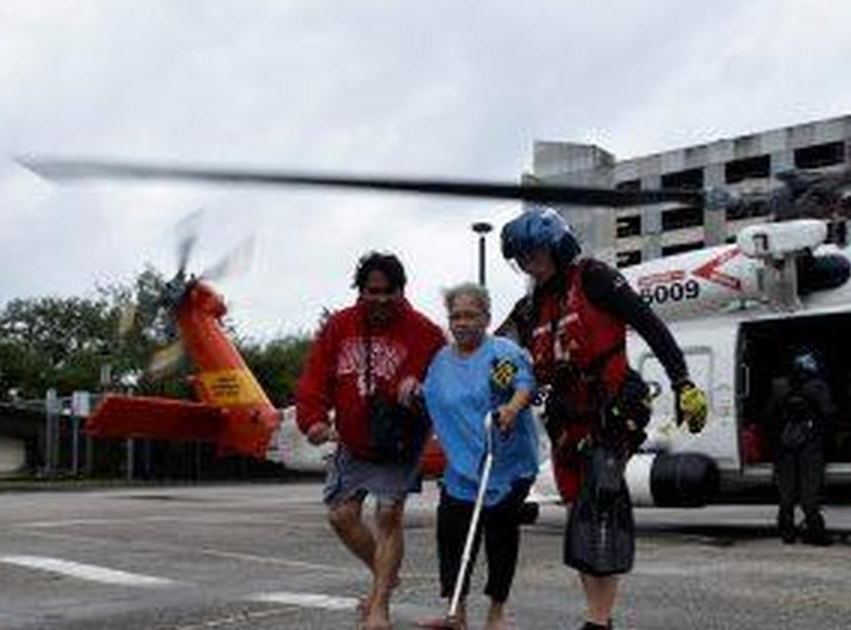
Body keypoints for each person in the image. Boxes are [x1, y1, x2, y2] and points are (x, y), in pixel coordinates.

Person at [497, 206, 708, 630]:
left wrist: (683, 381)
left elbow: (651, 326)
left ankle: (599, 622)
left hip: (611, 415)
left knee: (599, 511)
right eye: (521, 257)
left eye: (534, 252)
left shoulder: (594, 278)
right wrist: (499, 368)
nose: (528, 263)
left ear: (557, 246)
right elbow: (500, 348)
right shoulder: (529, 307)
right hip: (565, 425)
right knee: (580, 516)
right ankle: (599, 617)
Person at [296, 252, 447, 630]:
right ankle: (387, 574)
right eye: (372, 291)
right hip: (354, 439)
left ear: (401, 290)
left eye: (388, 291)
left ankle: (379, 608)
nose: (380, 299)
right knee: (341, 516)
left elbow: (444, 383)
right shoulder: (339, 326)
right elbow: (315, 378)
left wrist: (419, 389)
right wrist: (312, 420)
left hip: (400, 440)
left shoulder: (425, 332)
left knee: (388, 515)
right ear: (360, 291)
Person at [418, 282, 539, 630]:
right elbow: (430, 396)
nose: (462, 322)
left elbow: (522, 384)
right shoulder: (441, 361)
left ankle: (496, 615)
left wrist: (511, 410)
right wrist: (411, 392)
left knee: (500, 538)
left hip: (506, 464)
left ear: (486, 317)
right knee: (452, 537)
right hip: (462, 468)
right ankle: (456, 613)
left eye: (471, 315)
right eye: (455, 316)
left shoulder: (500, 354)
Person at [766, 349, 835, 546]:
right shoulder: (818, 387)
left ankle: (787, 533)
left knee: (786, 495)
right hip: (810, 447)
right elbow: (829, 414)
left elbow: (768, 417)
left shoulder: (779, 387)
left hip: (784, 447)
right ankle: (816, 534)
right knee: (809, 494)